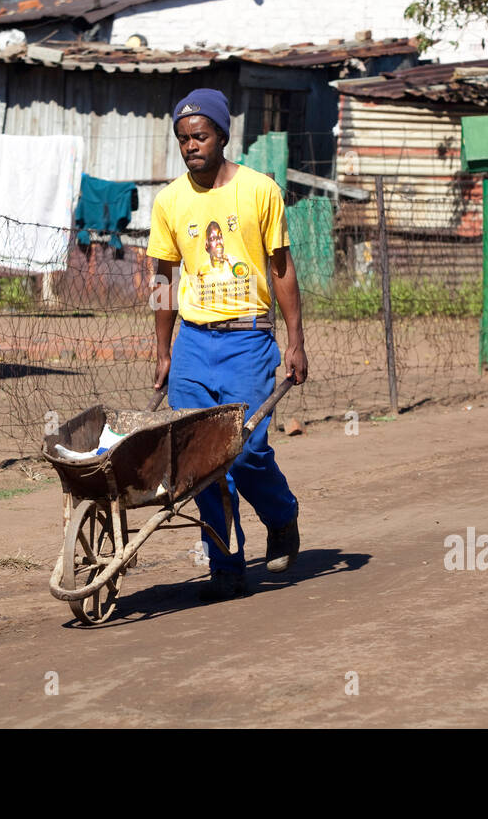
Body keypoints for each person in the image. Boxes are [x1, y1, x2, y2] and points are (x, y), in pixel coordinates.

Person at [147, 88, 308, 602]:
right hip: (194, 343)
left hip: (248, 340)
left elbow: (280, 268)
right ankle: (226, 564)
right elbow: (163, 279)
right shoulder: (169, 201)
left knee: (245, 453)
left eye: (200, 136)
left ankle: (282, 516)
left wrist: (295, 342)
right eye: (183, 139)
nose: (190, 145)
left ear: (222, 135)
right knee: (199, 462)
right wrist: (164, 350)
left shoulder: (260, 191)